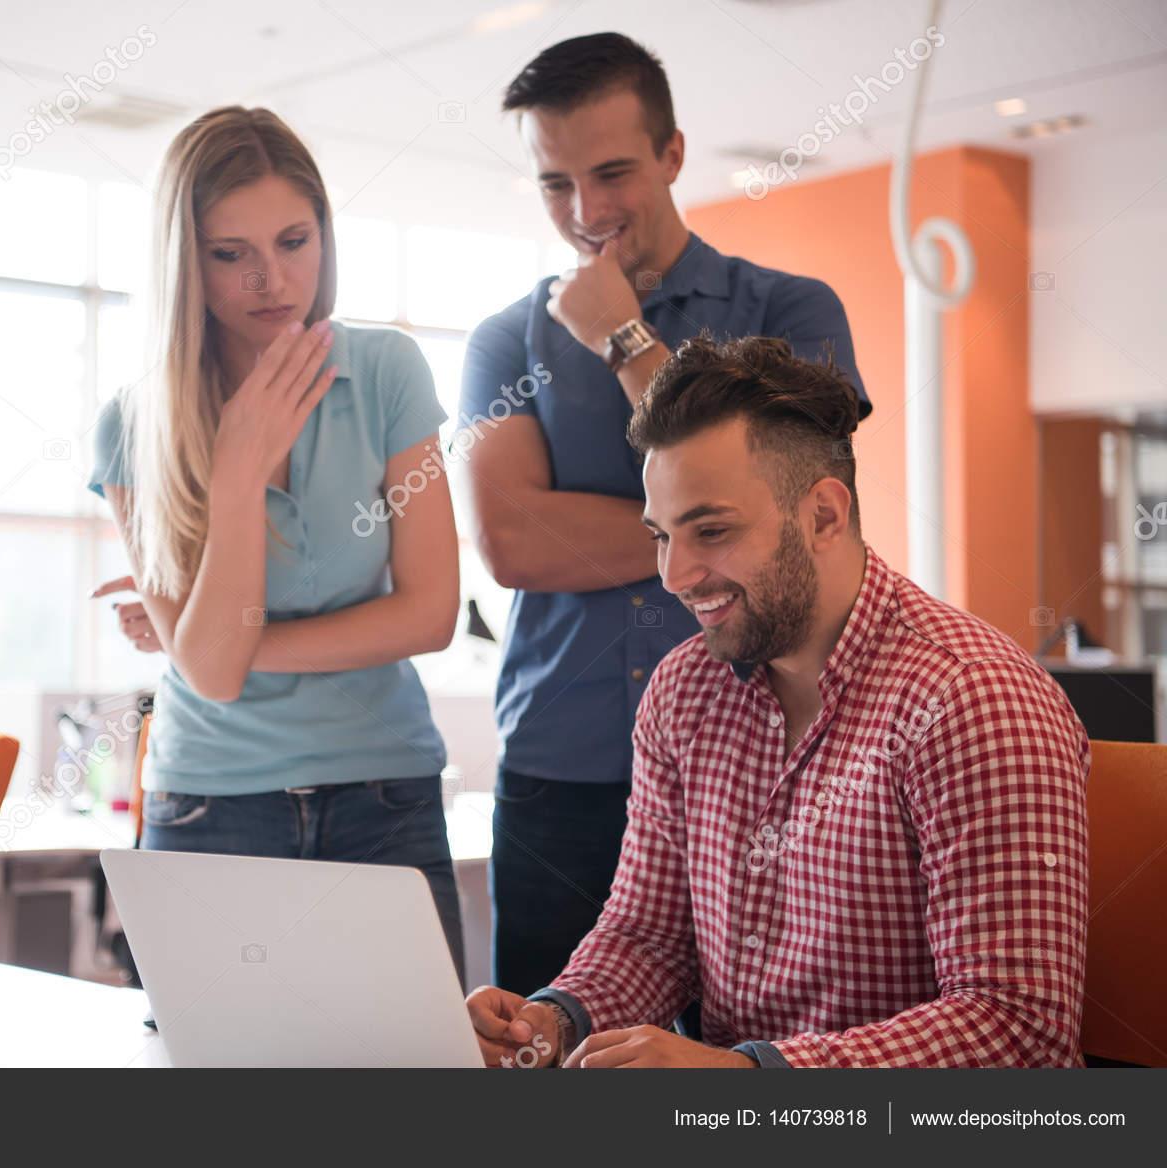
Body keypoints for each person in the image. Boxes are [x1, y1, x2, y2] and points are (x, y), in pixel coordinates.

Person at [466, 335, 1090, 1068]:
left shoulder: (973, 700)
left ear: (824, 515)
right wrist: (553, 1020)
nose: (674, 573)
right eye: (662, 536)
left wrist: (751, 1076)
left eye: (712, 531)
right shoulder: (682, 692)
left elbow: (1017, 1028)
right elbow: (650, 935)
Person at [458, 32, 871, 996]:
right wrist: (725, 525)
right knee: (545, 1050)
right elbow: (514, 544)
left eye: (612, 174)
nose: (587, 213)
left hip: (761, 754)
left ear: (674, 154)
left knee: (725, 1054)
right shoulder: (502, 342)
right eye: (556, 184)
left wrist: (625, 338)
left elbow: (806, 517)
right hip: (562, 767)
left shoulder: (793, 310)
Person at [88, 106, 465, 979]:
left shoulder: (386, 373)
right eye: (232, 254)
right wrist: (238, 467)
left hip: (383, 791)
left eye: (295, 240)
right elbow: (210, 679)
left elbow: (430, 613)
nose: (273, 278)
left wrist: (220, 638)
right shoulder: (134, 425)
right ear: (187, 261)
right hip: (211, 808)